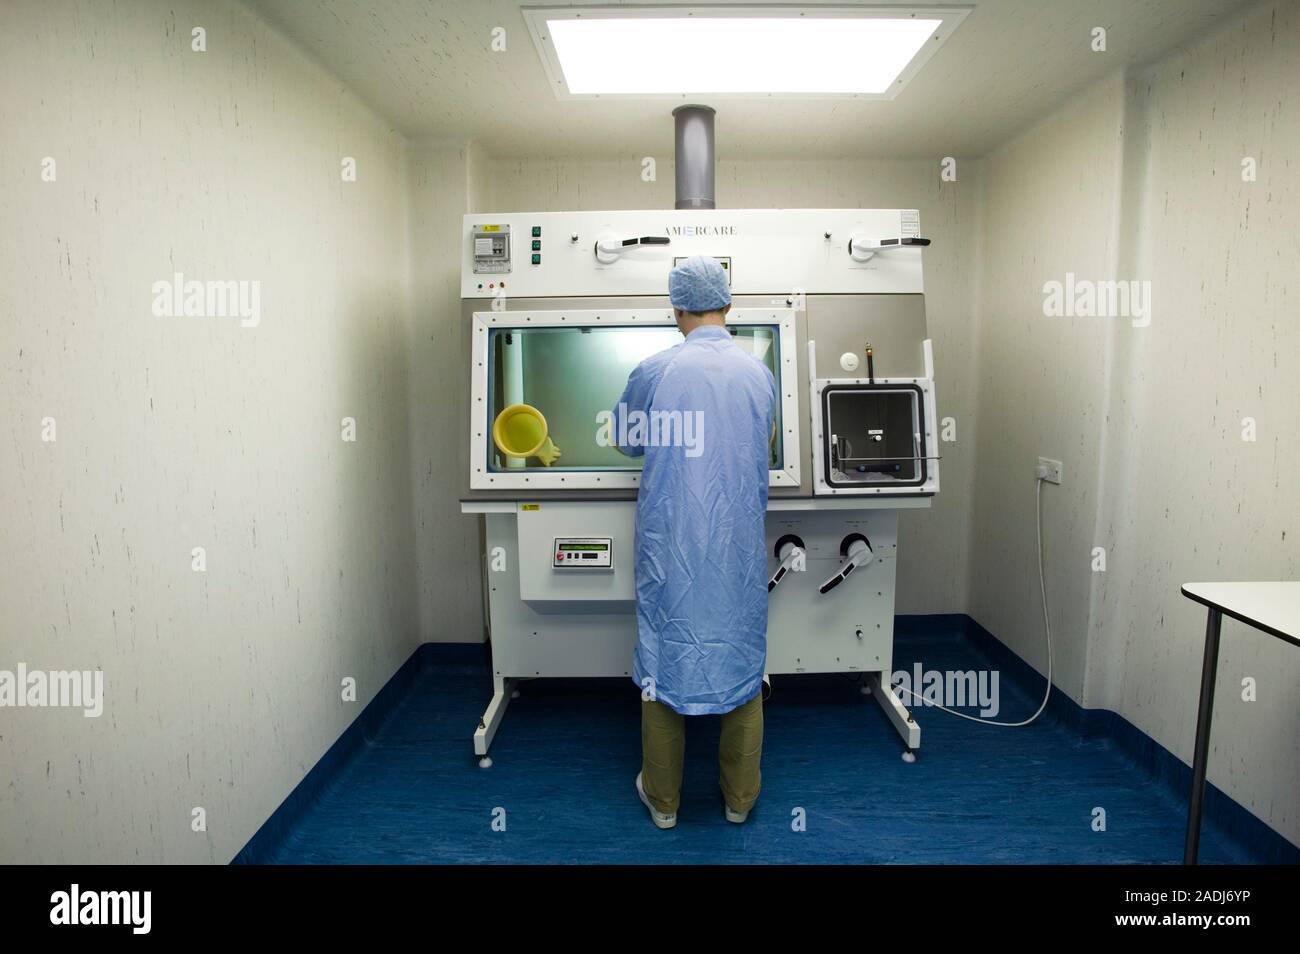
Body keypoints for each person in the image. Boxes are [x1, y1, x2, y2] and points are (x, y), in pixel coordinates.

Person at [608, 255, 776, 829]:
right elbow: (764, 441)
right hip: (737, 550)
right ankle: (739, 800)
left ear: (677, 308)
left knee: (663, 663)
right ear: (729, 304)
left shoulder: (656, 371)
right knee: (742, 660)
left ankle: (663, 802)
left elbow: (627, 443)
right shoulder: (759, 374)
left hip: (671, 547)